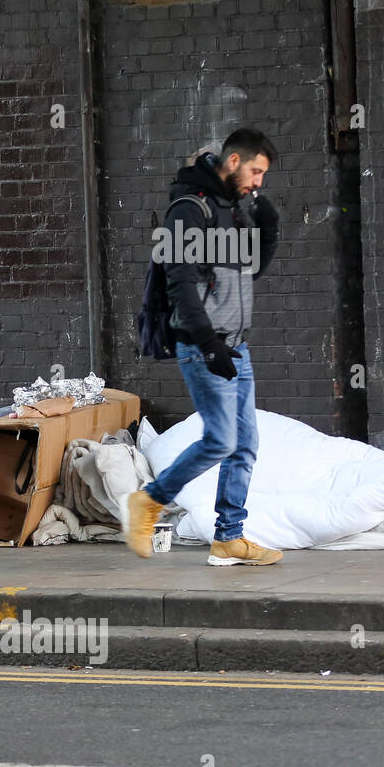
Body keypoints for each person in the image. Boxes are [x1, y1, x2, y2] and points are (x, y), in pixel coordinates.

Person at [124, 128, 282, 566]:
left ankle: (229, 537)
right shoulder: (188, 211)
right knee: (220, 441)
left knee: (244, 446)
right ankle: (149, 501)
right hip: (203, 347)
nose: (258, 182)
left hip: (235, 348)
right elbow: (180, 284)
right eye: (255, 171)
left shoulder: (230, 209)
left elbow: (247, 274)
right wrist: (209, 343)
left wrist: (268, 233)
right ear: (233, 162)